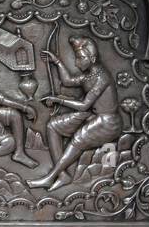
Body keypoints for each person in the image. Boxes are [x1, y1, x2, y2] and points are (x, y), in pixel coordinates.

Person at [31, 36, 121, 190]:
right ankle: (63, 176)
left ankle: (50, 176)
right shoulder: (89, 75)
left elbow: (84, 105)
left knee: (78, 139)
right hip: (93, 116)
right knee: (53, 126)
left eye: (80, 58)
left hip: (108, 122)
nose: (77, 62)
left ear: (92, 58)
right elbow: (67, 82)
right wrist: (57, 62)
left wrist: (59, 100)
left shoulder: (102, 77)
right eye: (76, 58)